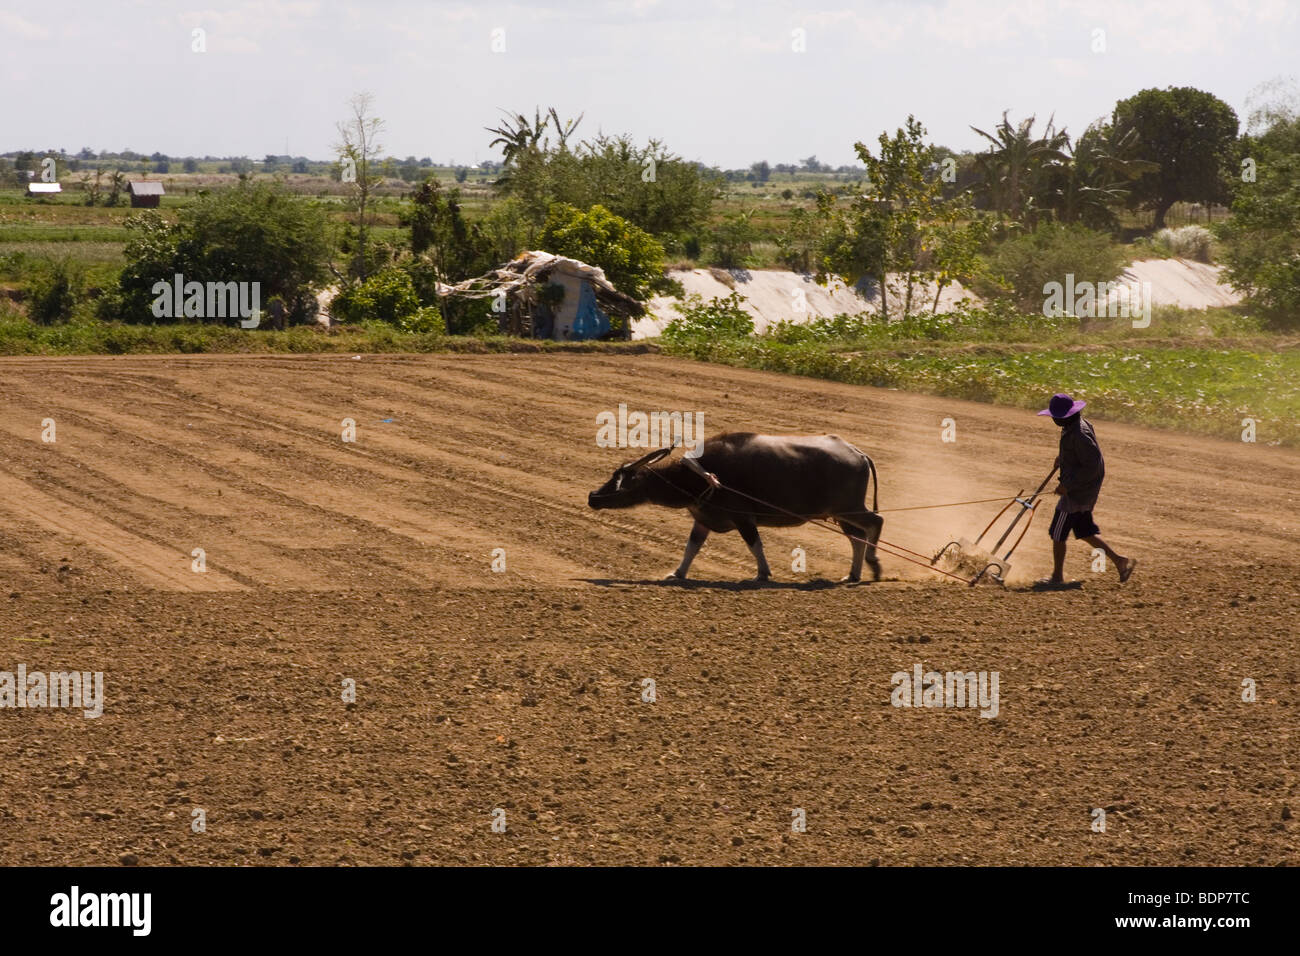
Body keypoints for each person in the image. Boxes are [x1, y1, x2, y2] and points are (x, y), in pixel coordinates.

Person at [1035, 393, 1137, 588]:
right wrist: (1063, 459)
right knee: (1084, 531)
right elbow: (1079, 456)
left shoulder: (1079, 434)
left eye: (1055, 417)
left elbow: (1092, 466)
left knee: (1058, 532)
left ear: (1064, 417)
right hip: (1084, 491)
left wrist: (1068, 484)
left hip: (1077, 494)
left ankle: (1057, 577)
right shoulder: (1075, 426)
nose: (1054, 420)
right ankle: (1120, 561)